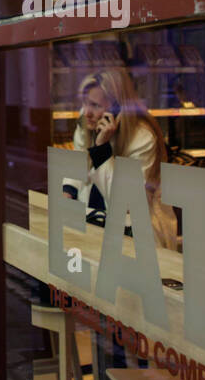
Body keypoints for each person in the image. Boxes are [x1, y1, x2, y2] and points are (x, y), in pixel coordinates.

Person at [67, 68, 176, 250]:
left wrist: (102, 149)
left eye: (95, 105)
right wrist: (67, 191)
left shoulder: (143, 138)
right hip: (94, 224)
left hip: (137, 235)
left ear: (117, 108)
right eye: (85, 103)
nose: (86, 112)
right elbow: (76, 168)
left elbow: (126, 202)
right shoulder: (87, 123)